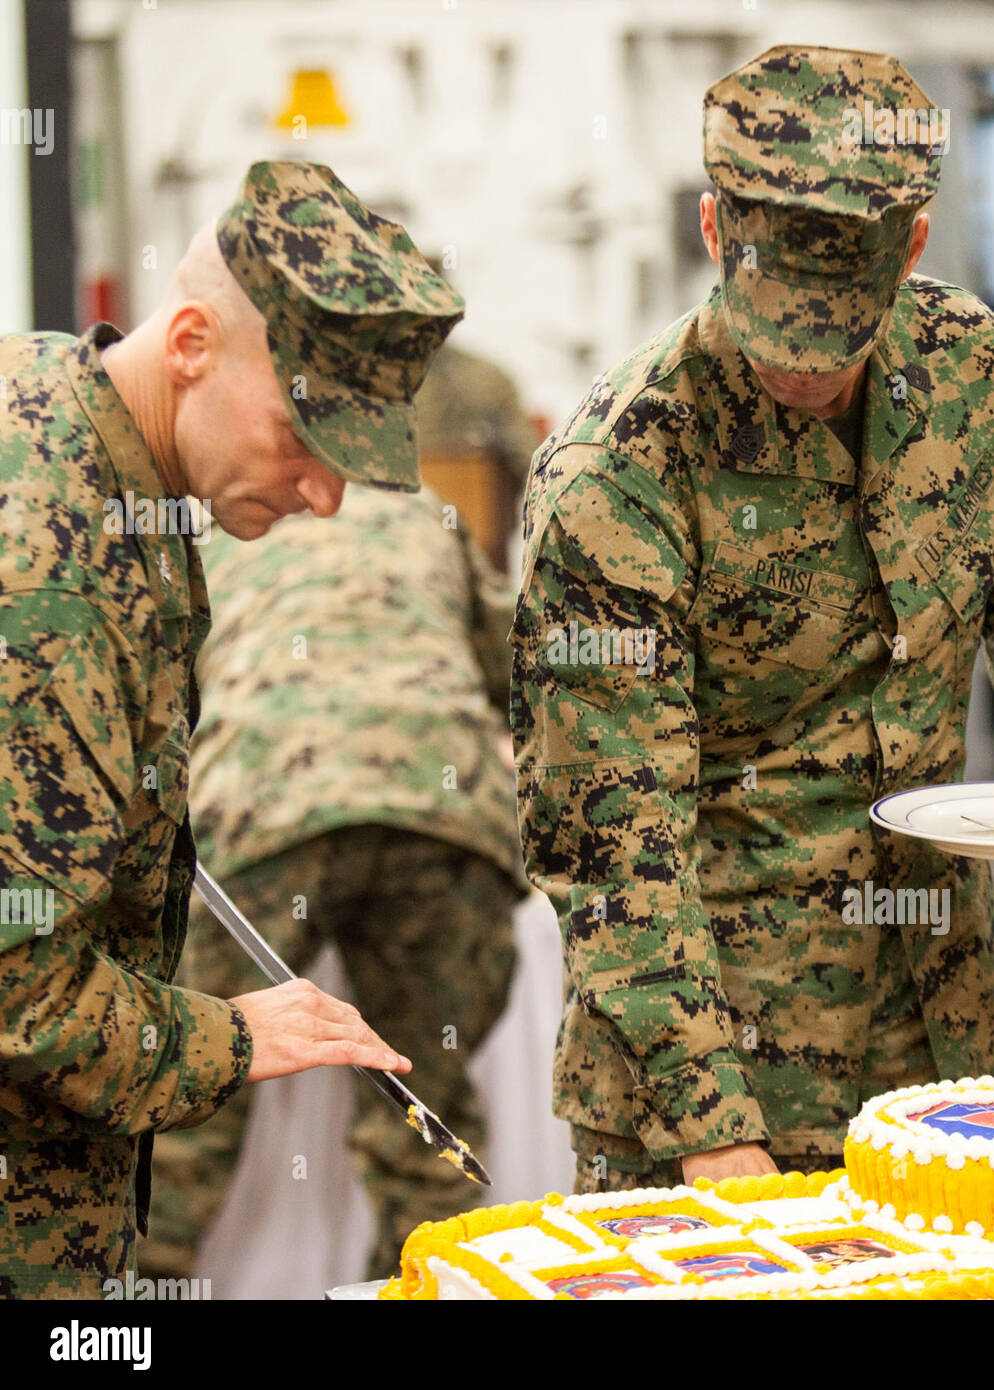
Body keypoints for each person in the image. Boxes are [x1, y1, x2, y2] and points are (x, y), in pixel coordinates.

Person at [509, 46, 994, 1196]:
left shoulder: (988, 379)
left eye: (841, 327)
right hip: (713, 1069)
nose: (804, 368)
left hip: (946, 1035)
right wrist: (709, 1121)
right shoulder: (619, 475)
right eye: (777, 329)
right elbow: (613, 840)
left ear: (910, 247)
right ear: (714, 230)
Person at [0, 160, 463, 1296]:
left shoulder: (63, 404)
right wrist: (238, 1037)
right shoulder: (56, 578)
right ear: (192, 344)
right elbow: (23, 992)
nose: (325, 498)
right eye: (303, 435)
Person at [139, 482, 525, 1282]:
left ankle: (131, 1314)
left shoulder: (219, 522)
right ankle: (423, 1296)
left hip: (265, 801)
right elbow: (509, 664)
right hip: (440, 806)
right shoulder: (424, 511)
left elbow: (158, 695)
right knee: (427, 1108)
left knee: (192, 1096)